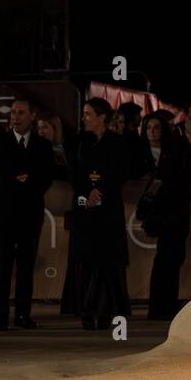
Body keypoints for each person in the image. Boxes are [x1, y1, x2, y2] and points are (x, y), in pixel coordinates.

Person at [0, 96, 55, 331]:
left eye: (21, 112)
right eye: (13, 112)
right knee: (1, 268)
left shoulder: (42, 146)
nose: (16, 117)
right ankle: (1, 317)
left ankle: (23, 315)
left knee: (25, 269)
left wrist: (27, 187)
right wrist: (8, 191)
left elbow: (46, 177)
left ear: (32, 116)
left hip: (30, 215)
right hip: (4, 215)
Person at [68, 99, 131, 330]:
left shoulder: (117, 143)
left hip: (108, 211)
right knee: (86, 261)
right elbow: (73, 172)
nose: (84, 118)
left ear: (102, 116)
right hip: (85, 212)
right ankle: (85, 309)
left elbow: (120, 172)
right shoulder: (79, 143)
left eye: (88, 114)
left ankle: (106, 310)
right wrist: (87, 191)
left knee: (107, 262)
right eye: (84, 114)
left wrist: (101, 190)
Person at [141, 110, 191, 321]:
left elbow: (184, 179)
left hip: (175, 212)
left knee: (172, 259)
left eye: (156, 127)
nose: (152, 132)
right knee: (164, 260)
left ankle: (166, 304)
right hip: (157, 214)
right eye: (148, 128)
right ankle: (158, 306)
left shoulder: (177, 149)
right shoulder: (141, 152)